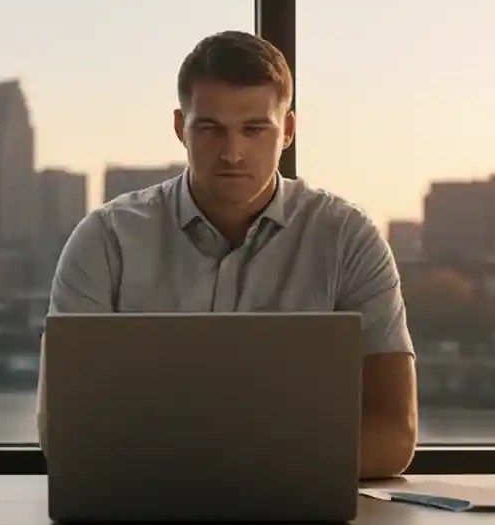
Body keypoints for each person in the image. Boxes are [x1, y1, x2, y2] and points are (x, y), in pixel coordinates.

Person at [37, 30, 417, 480]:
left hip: (295, 520)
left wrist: (224, 471)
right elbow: (63, 430)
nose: (233, 153)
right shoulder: (106, 240)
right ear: (181, 127)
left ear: (289, 131)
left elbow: (394, 434)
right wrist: (253, 466)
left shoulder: (347, 238)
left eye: (255, 129)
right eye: (210, 128)